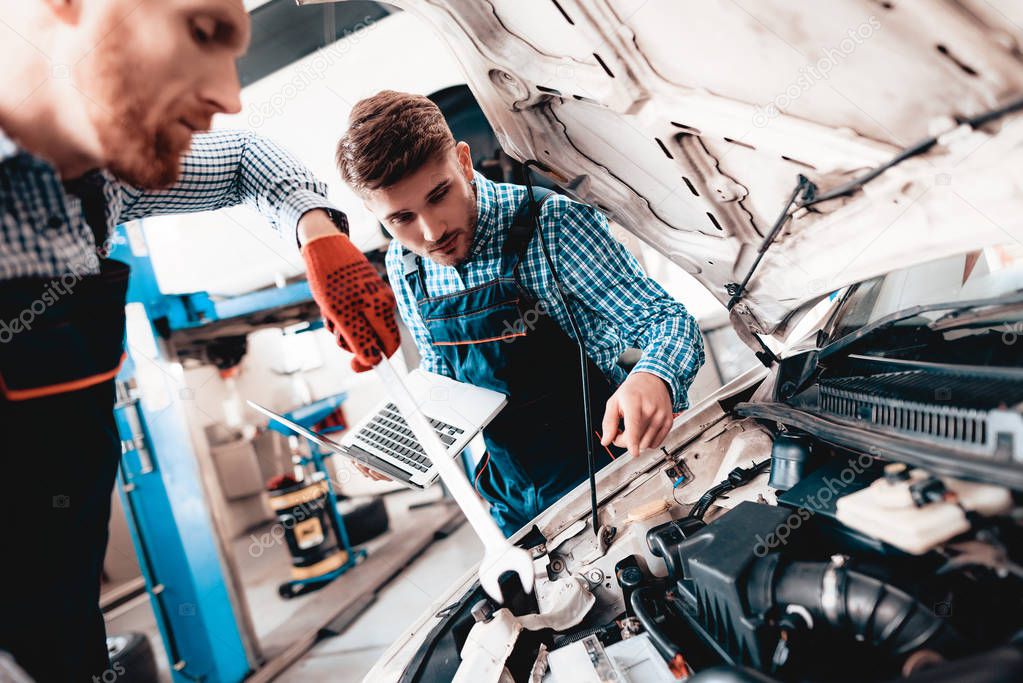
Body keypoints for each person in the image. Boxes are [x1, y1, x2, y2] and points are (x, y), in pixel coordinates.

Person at [0, 1, 398, 679]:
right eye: (203, 30)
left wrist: (318, 232)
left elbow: (244, 158)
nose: (228, 95)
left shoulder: (98, 188)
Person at [335, 90, 705, 537]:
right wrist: (403, 436)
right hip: (509, 502)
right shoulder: (405, 265)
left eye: (439, 195)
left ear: (463, 162)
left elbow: (666, 319)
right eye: (402, 219)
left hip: (608, 477)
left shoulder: (551, 225)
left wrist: (654, 376)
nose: (431, 231)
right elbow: (440, 376)